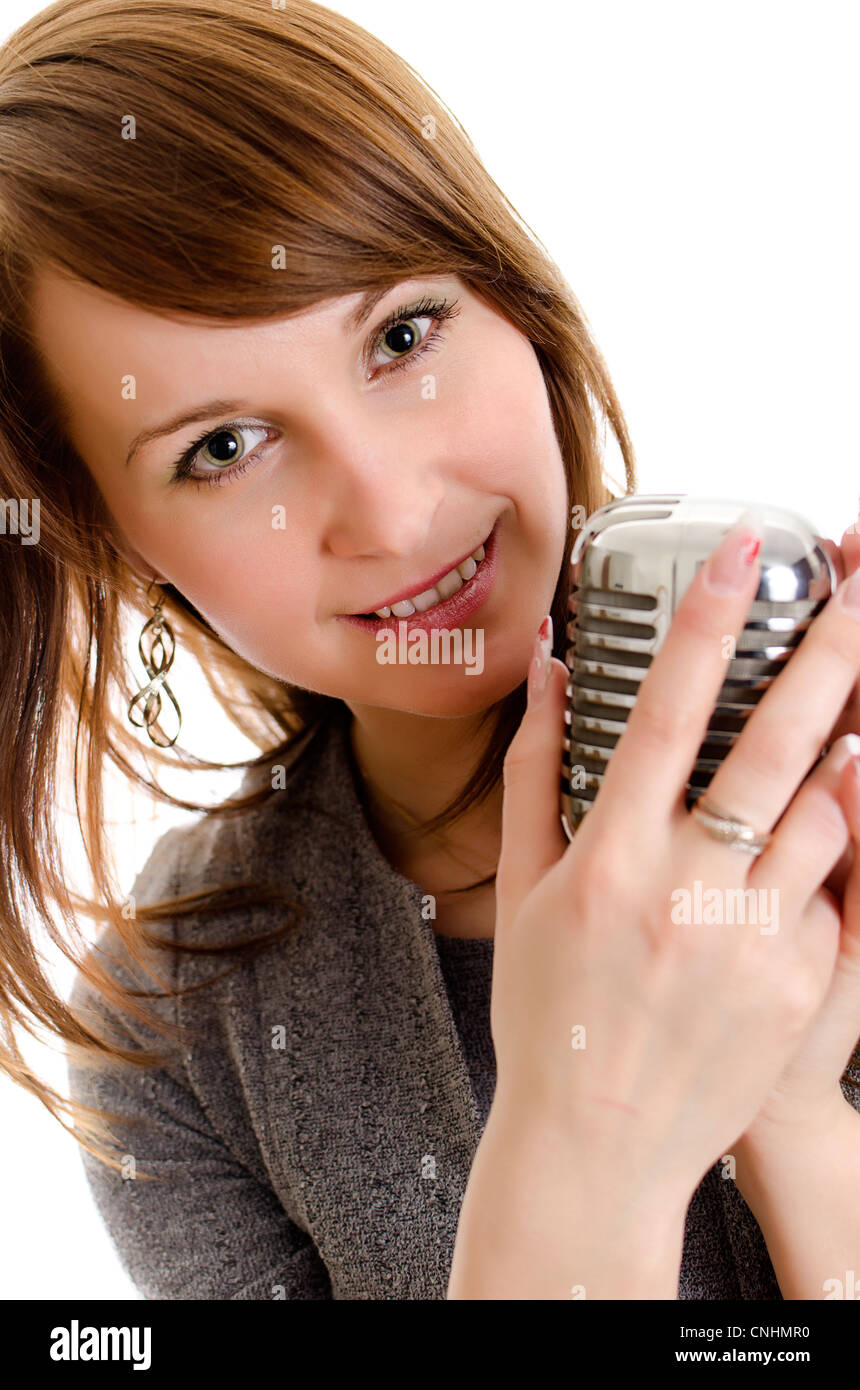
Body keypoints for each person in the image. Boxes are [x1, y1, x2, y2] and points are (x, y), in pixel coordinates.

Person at [1, 0, 859, 1300]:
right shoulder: (176, 1034)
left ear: (512, 295)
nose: (396, 515)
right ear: (118, 546)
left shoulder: (835, 765)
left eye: (402, 336)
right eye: (222, 448)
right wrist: (587, 1142)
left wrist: (795, 1115)